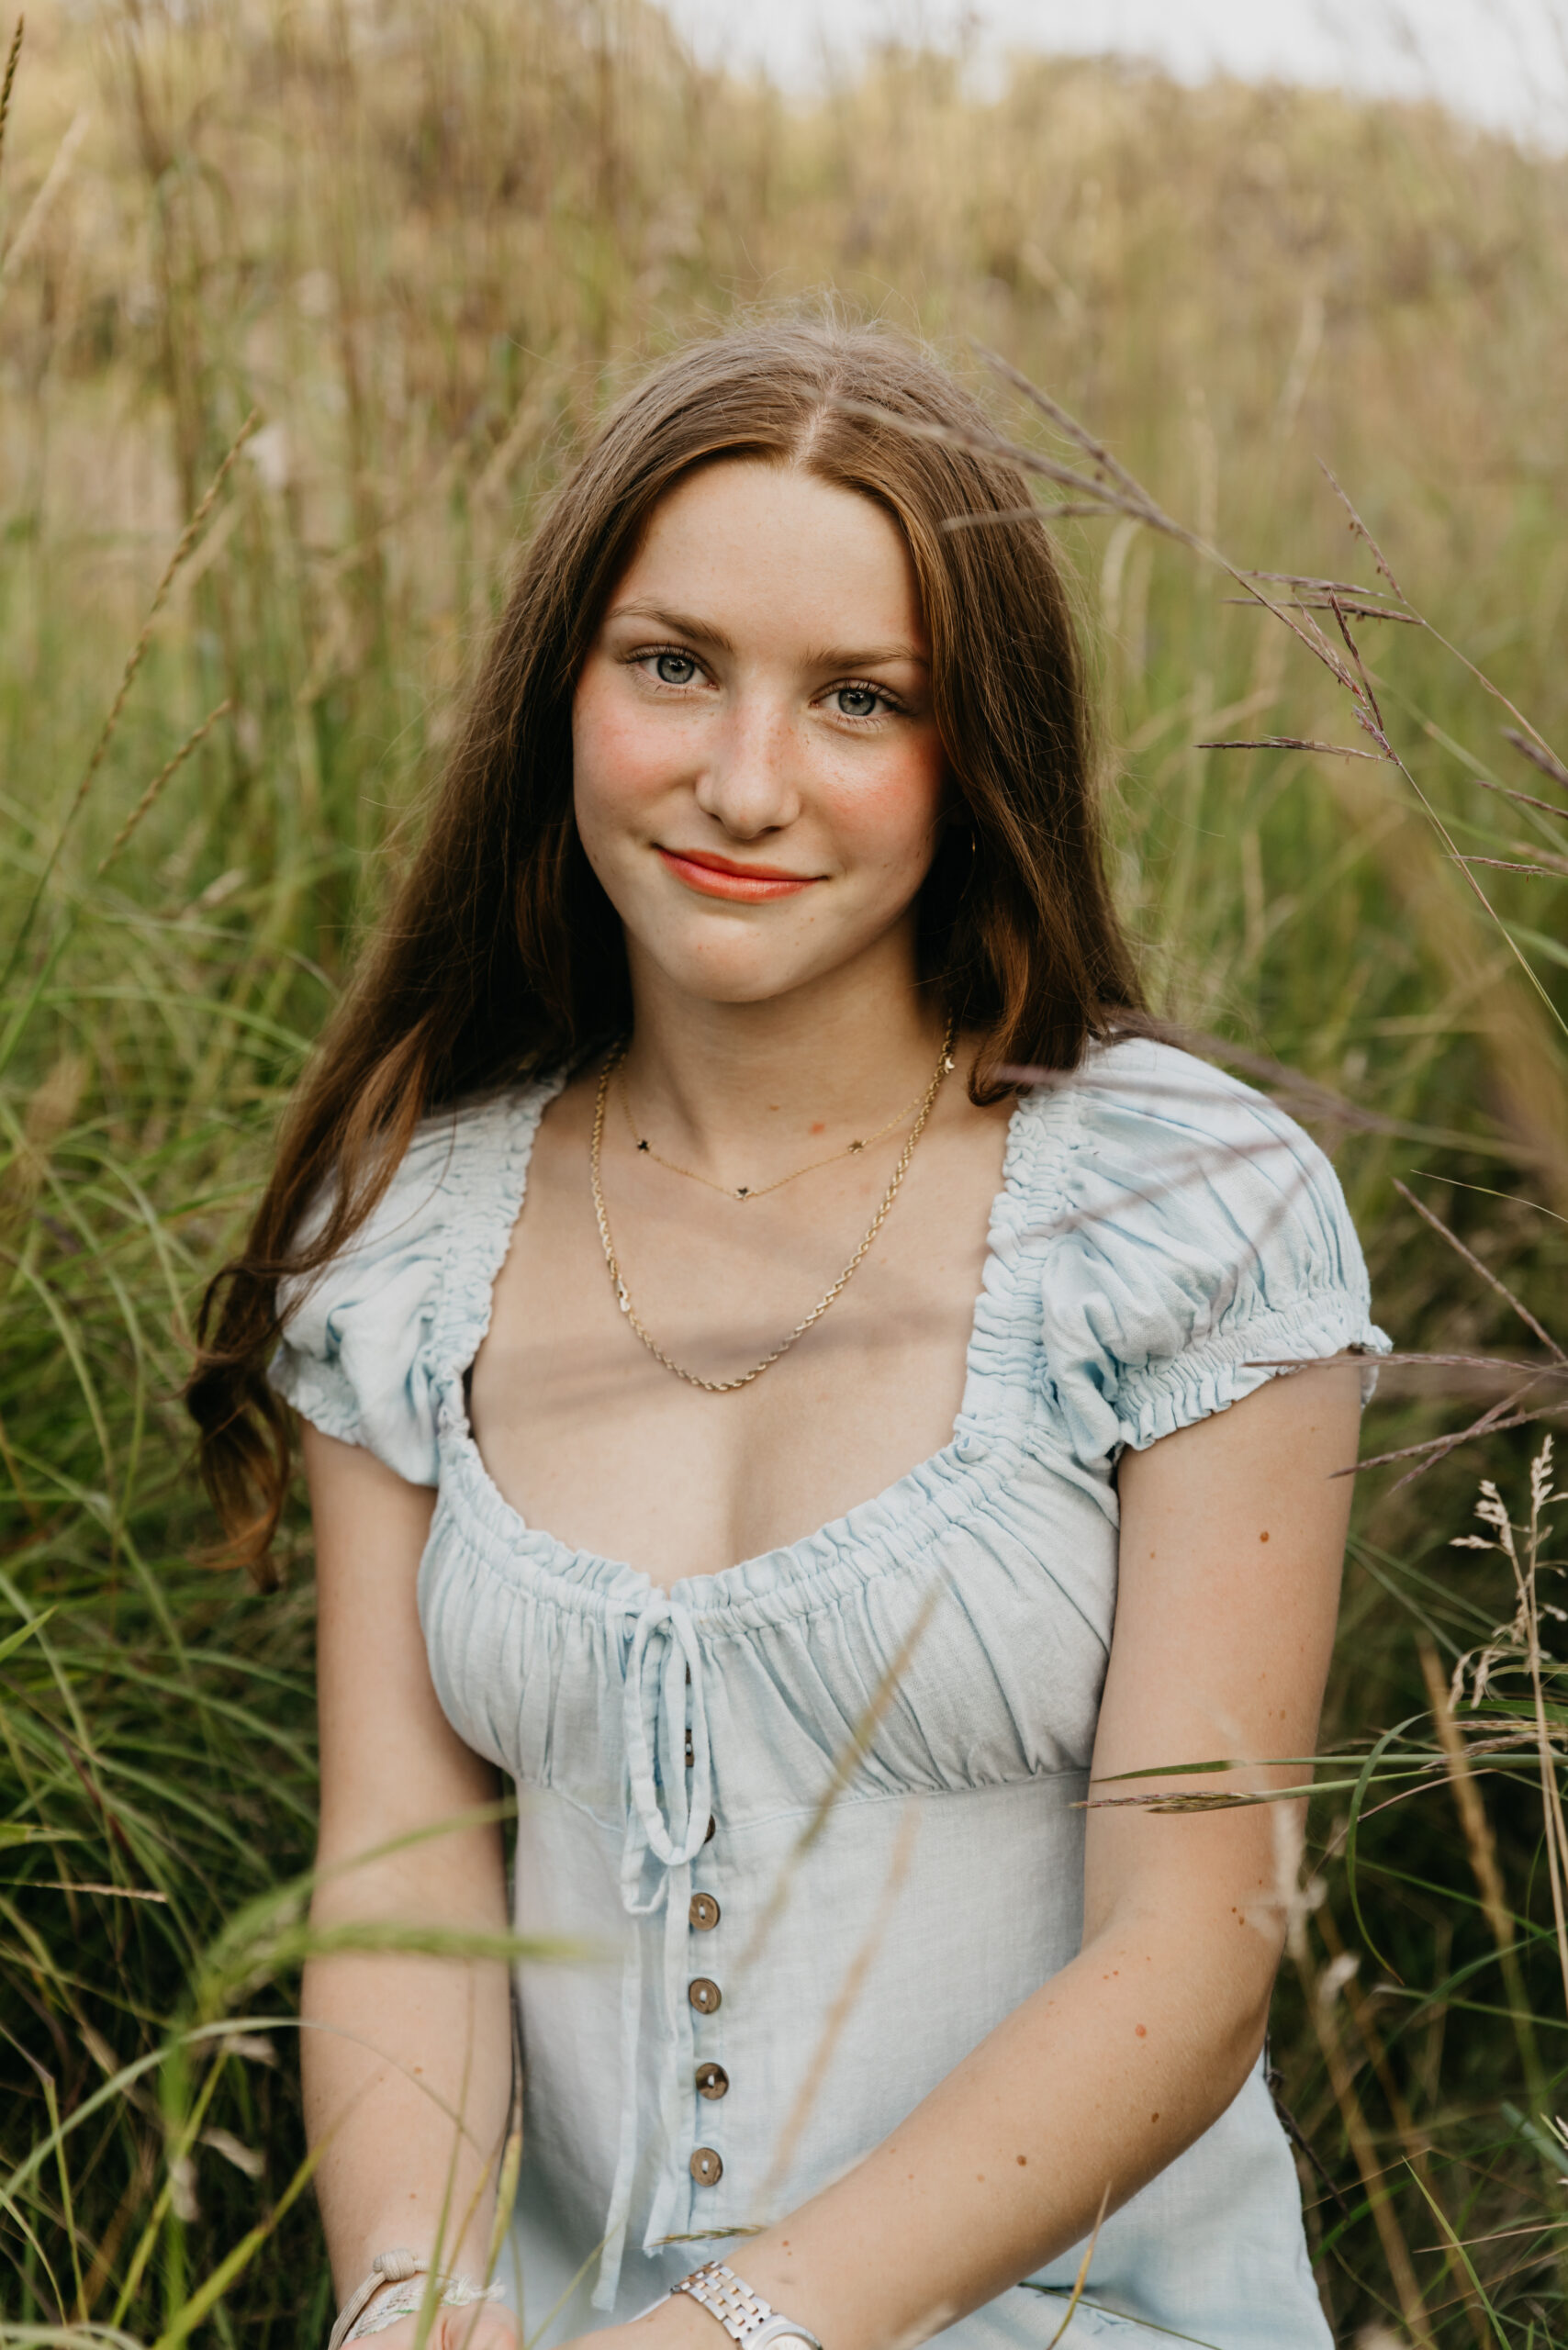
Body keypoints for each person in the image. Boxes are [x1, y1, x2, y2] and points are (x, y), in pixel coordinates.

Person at [189, 317, 1388, 2350]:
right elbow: (401, 1875)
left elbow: (1189, 1956)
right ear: (561, 685)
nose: (742, 780)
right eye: (670, 663)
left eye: (859, 698)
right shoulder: (403, 1232)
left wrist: (738, 2332)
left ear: (974, 745)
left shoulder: (1181, 1209)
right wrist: (414, 2290)